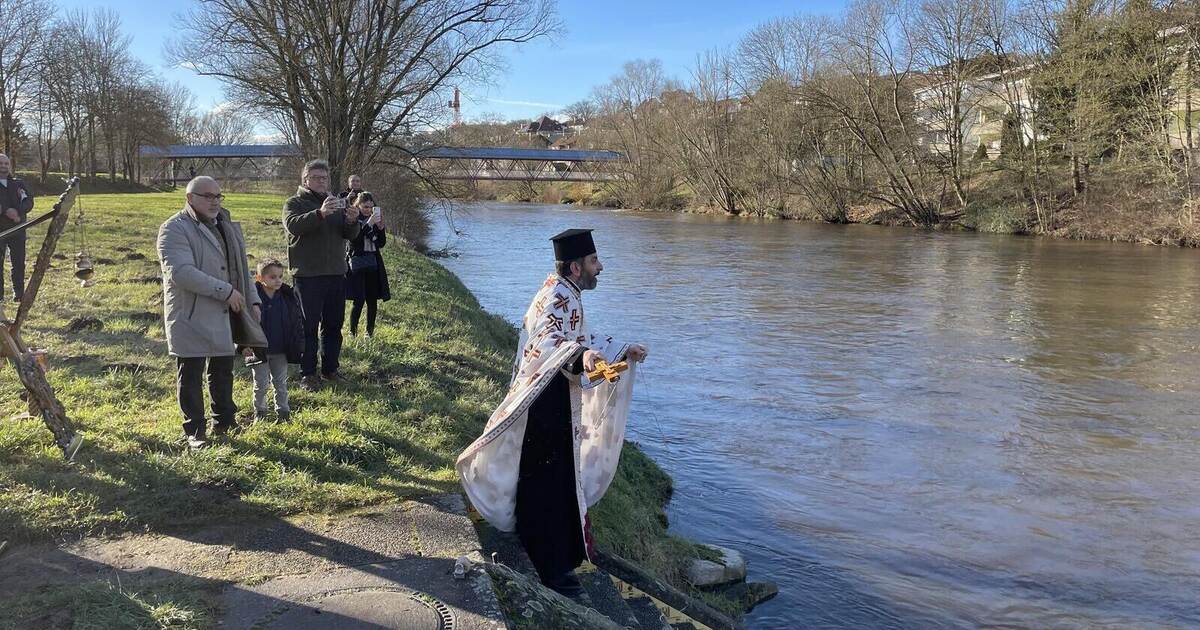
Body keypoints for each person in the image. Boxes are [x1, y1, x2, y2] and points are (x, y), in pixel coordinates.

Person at [457, 229, 648, 598]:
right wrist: (583, 357)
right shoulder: (558, 295)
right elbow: (549, 340)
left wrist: (621, 350)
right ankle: (552, 567)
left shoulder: (565, 291)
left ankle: (558, 559)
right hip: (542, 408)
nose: (601, 267)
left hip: (553, 401)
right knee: (545, 485)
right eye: (595, 262)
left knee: (553, 482)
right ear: (576, 266)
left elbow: (578, 336)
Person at [157, 176, 266, 449]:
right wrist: (225, 291)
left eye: (218, 196)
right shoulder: (174, 228)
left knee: (223, 369)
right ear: (189, 198)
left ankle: (225, 421)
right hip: (192, 313)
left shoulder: (226, 225)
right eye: (207, 196)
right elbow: (181, 273)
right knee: (191, 371)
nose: (214, 201)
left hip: (226, 309)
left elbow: (241, 267)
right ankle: (194, 431)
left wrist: (253, 300)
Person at [284, 159, 360, 391]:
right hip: (308, 276)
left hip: (336, 273)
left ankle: (330, 370)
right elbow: (293, 226)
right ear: (305, 180)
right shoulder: (294, 203)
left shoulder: (337, 202)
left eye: (324, 178)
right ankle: (308, 374)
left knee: (334, 325)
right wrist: (320, 213)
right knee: (308, 327)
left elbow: (350, 235)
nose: (321, 182)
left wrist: (351, 220)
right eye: (316, 178)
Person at [242, 259, 304, 423]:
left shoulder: (287, 296)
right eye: (272, 277)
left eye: (280, 276)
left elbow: (296, 322)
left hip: (281, 350)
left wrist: (298, 344)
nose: (278, 280)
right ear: (259, 277)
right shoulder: (252, 299)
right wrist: (243, 345)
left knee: (280, 383)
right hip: (258, 350)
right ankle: (260, 414)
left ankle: (283, 413)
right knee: (261, 384)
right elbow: (244, 323)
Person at [343, 191, 390, 338]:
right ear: (358, 205)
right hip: (357, 261)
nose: (369, 210)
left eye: (371, 207)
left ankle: (369, 332)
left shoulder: (375, 220)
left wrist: (381, 229)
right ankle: (352, 331)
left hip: (373, 262)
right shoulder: (353, 219)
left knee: (372, 299)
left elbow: (381, 244)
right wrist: (367, 225)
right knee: (359, 299)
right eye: (365, 207)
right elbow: (354, 241)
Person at [0, 154, 34, 302]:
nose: (4, 166)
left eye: (6, 163)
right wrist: (6, 211)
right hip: (1, 230)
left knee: (19, 262)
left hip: (18, 230)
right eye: (1, 163)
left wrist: (19, 213)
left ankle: (19, 294)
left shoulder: (18, 183)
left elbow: (29, 201)